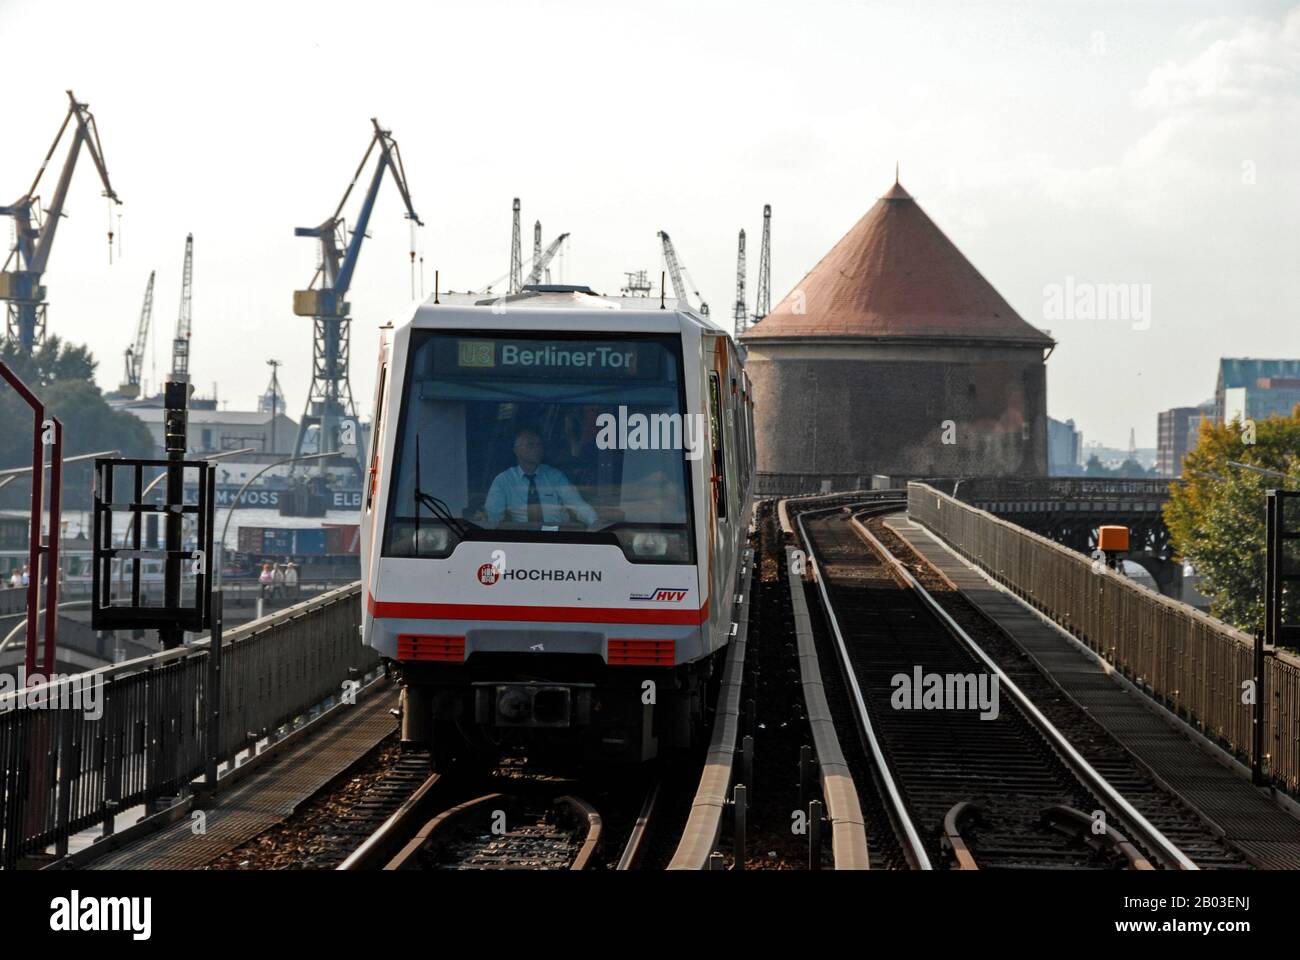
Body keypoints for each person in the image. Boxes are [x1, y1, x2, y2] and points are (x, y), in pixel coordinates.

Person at [484, 428, 597, 528]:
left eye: (539, 445)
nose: (537, 449)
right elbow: (493, 515)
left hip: (555, 536)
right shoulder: (504, 480)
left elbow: (577, 504)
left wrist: (595, 522)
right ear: (516, 450)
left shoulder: (555, 476)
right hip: (520, 538)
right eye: (530, 445)